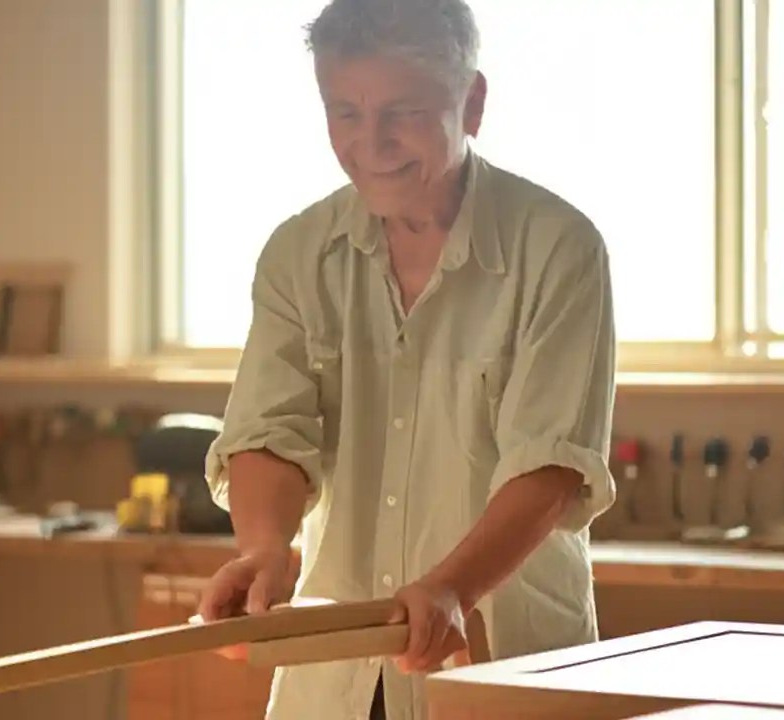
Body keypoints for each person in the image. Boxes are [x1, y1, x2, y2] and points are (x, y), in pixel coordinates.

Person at [198, 0, 617, 717]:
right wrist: (265, 549)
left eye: (403, 111)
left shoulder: (559, 249)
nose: (372, 143)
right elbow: (269, 432)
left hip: (500, 663)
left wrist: (453, 586)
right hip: (335, 674)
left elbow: (549, 468)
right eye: (345, 113)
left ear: (472, 101)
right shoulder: (297, 255)